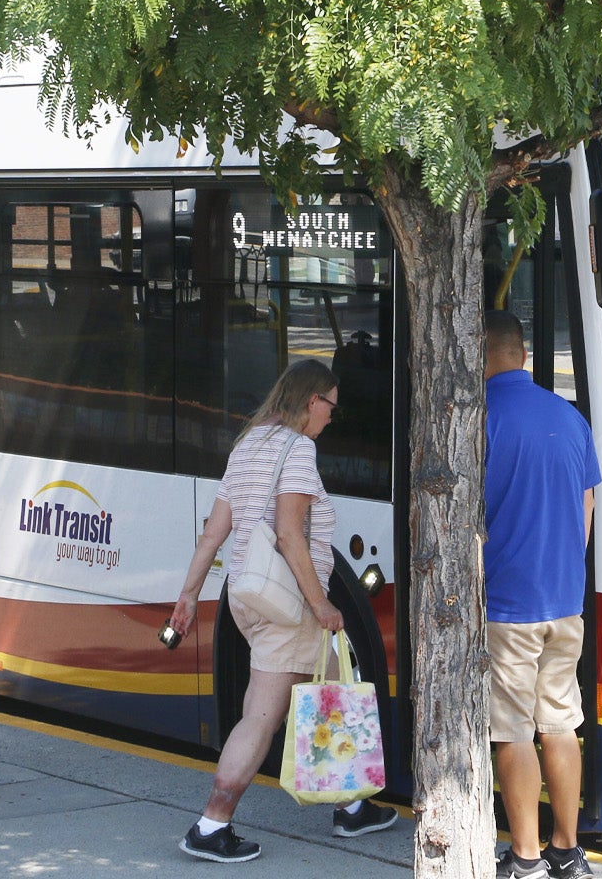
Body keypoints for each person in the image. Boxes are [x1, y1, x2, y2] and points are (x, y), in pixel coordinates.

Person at [166, 358, 400, 862]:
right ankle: (211, 824)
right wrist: (322, 604)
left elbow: (214, 532)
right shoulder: (297, 449)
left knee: (333, 686)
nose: (331, 419)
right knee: (261, 716)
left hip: (249, 597)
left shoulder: (248, 444)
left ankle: (353, 805)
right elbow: (290, 532)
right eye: (330, 408)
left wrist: (188, 594)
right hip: (290, 602)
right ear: (312, 400)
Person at [481, 311, 602, 879]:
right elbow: (586, 508)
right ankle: (566, 849)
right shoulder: (570, 418)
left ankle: (525, 857)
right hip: (565, 600)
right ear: (523, 354)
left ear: (480, 355)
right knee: (560, 722)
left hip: (508, 604)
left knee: (511, 730)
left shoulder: (478, 419)